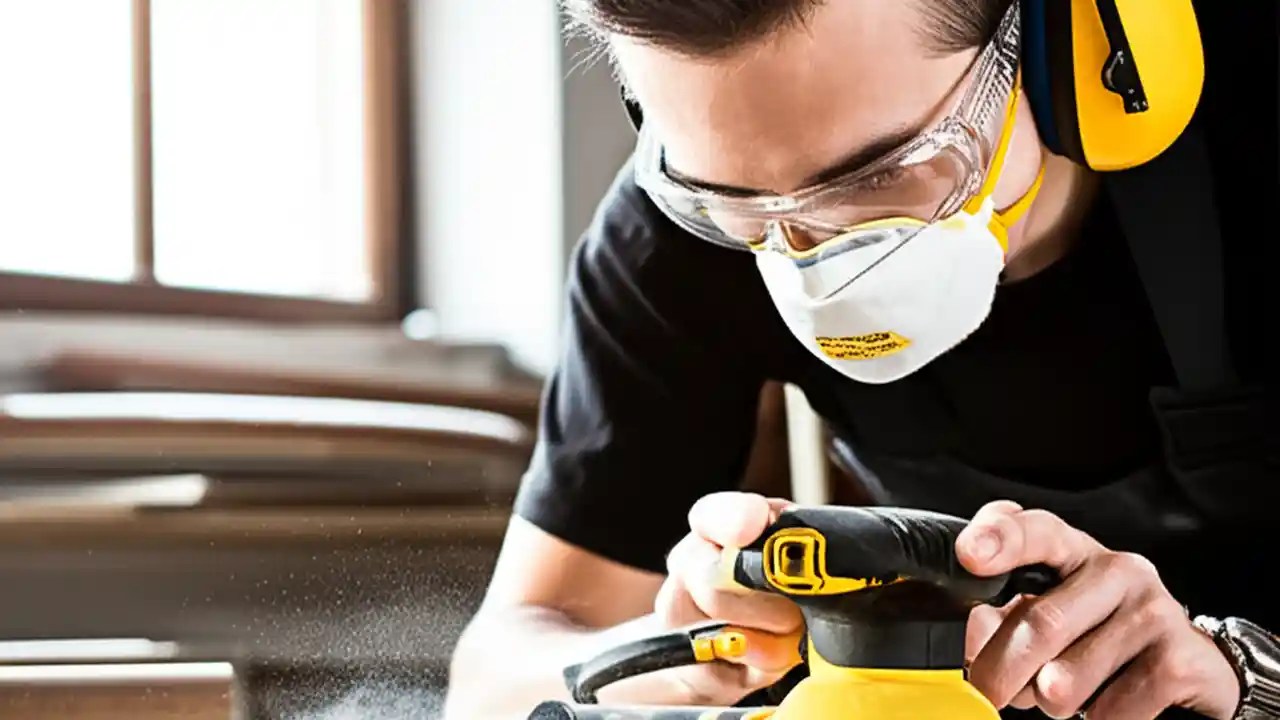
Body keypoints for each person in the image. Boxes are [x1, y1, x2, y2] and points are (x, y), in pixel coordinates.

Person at [443, 1, 1278, 718]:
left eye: (879, 176)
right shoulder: (673, 239)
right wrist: (671, 667)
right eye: (742, 209)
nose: (815, 262)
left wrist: (1249, 677)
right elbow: (489, 679)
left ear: (1068, 53)